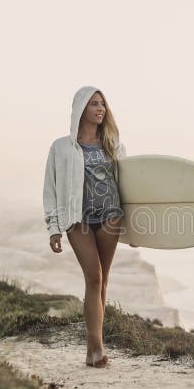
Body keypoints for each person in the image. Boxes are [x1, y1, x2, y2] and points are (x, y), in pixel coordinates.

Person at [42, 85, 135, 368]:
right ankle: (95, 347)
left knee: (103, 281)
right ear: (80, 108)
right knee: (93, 277)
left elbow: (129, 187)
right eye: (94, 104)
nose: (100, 109)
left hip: (110, 215)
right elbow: (51, 188)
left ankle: (94, 350)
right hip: (77, 219)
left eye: (103, 104)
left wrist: (138, 231)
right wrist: (54, 227)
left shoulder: (114, 144)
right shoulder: (61, 147)